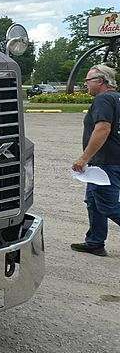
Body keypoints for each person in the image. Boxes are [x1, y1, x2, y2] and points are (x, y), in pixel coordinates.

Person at [70, 64, 120, 256]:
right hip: (110, 161)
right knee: (93, 200)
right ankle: (95, 242)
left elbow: (103, 129)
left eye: (88, 81)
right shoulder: (117, 98)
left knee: (109, 205)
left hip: (105, 163)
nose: (85, 85)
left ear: (100, 81)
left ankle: (95, 241)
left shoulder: (104, 99)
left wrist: (84, 158)